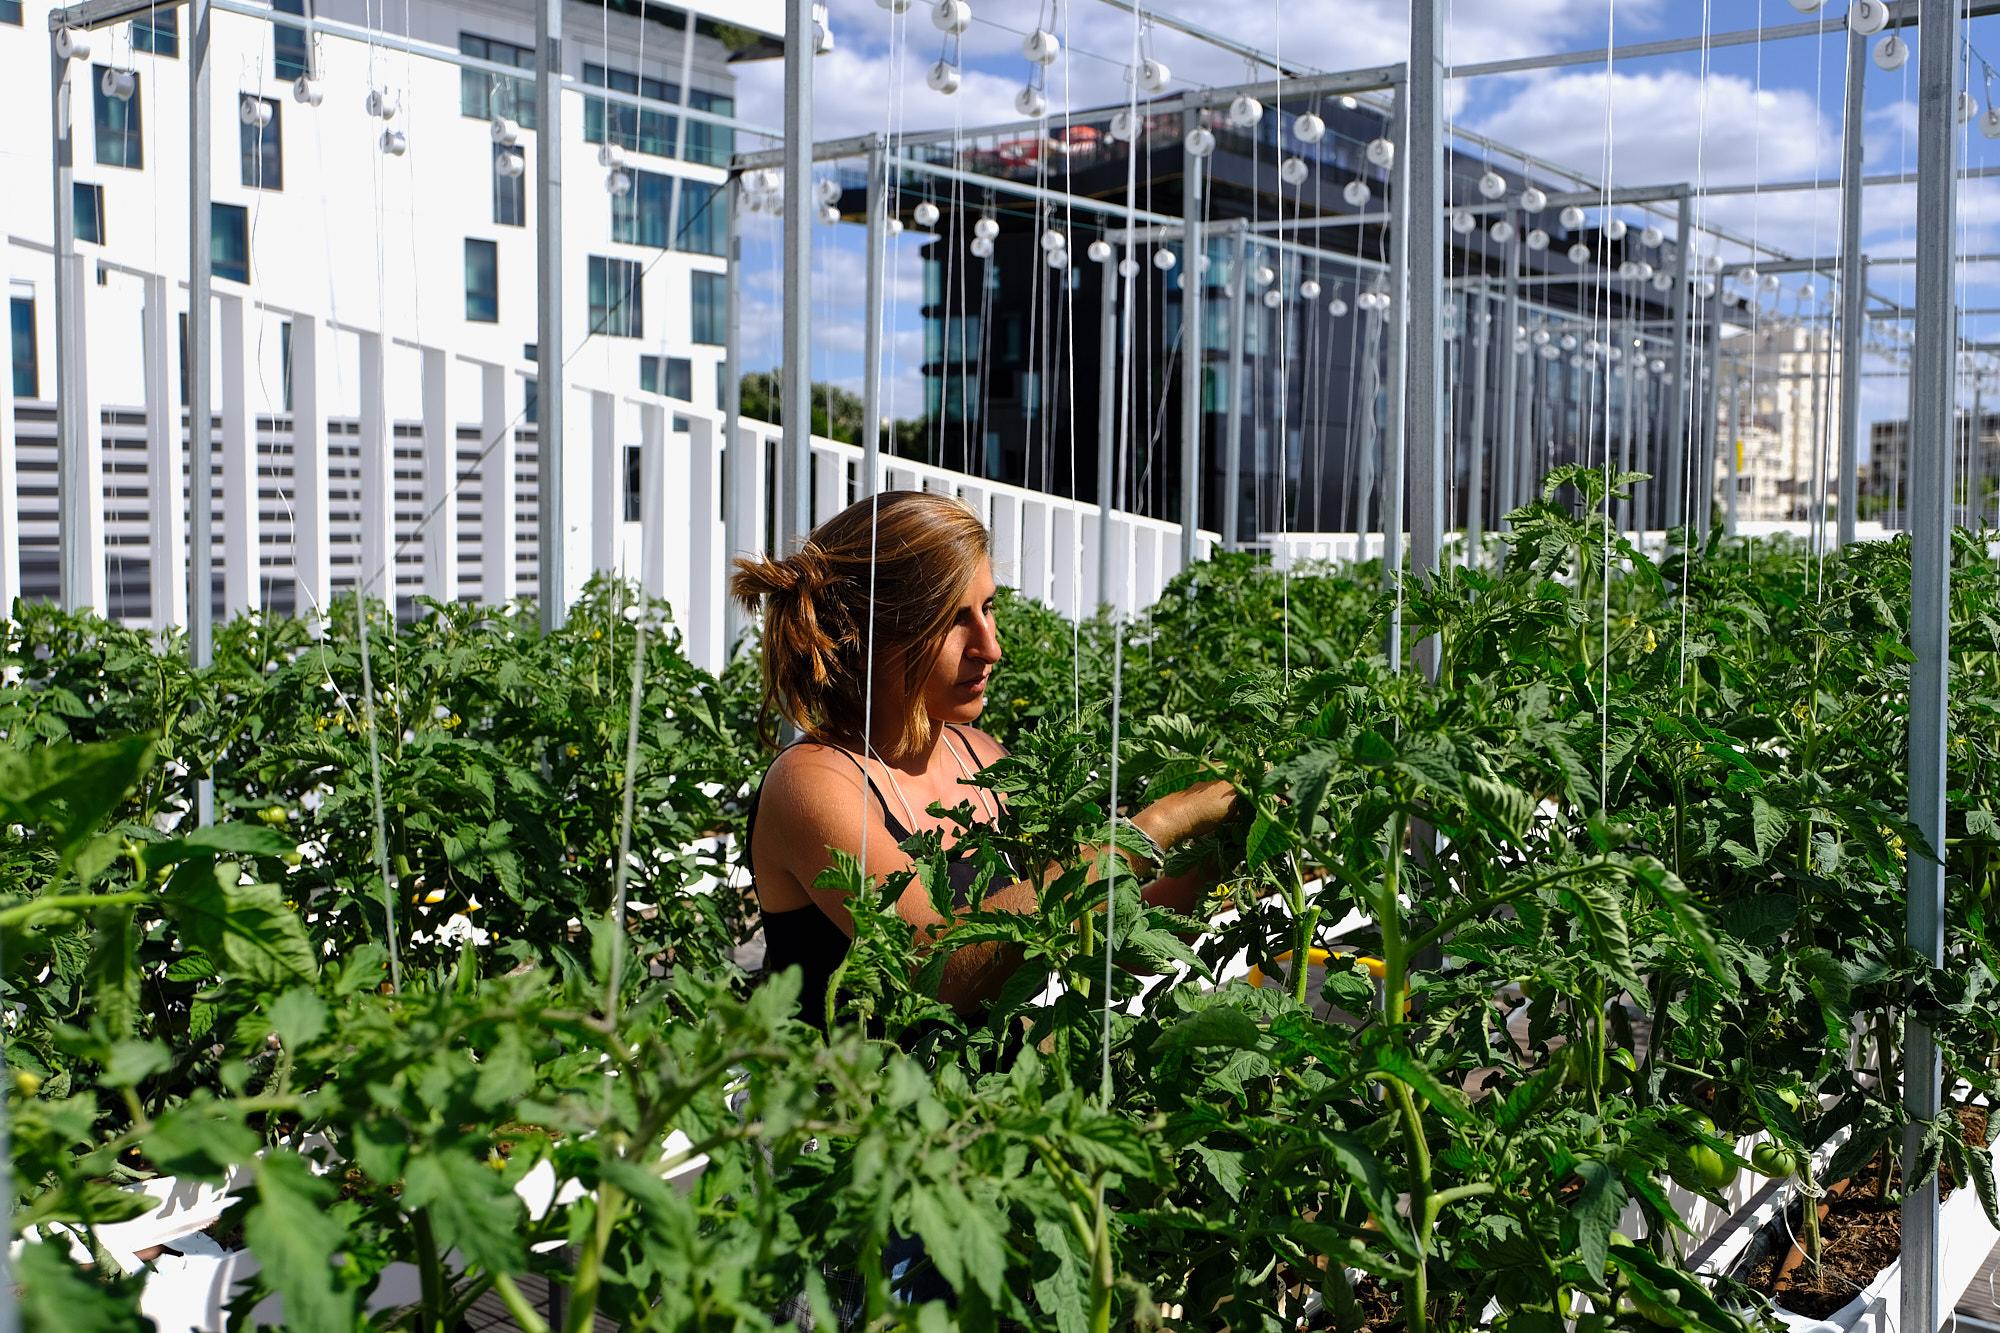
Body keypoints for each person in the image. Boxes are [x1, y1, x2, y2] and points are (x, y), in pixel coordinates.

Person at [731, 490, 1239, 1023]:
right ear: (874, 633)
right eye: (953, 620)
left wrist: (1212, 846)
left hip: (990, 1102)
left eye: (988, 608)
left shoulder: (980, 756)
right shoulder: (814, 781)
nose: (990, 647)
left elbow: (1102, 938)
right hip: (852, 1101)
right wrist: (1156, 825)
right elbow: (936, 970)